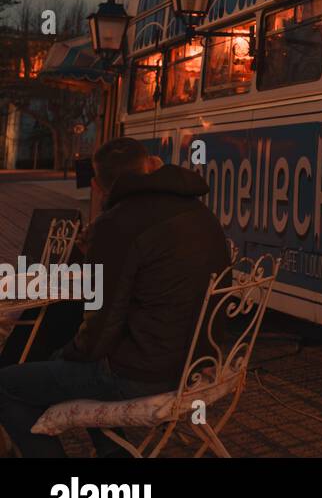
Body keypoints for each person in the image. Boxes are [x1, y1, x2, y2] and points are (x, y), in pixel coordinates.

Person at [0, 138, 229, 457]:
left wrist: (69, 354)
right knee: (71, 365)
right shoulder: (197, 210)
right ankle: (115, 453)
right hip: (201, 359)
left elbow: (101, 324)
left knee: (10, 384)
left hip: (148, 374)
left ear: (96, 184)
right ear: (150, 165)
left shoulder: (118, 223)